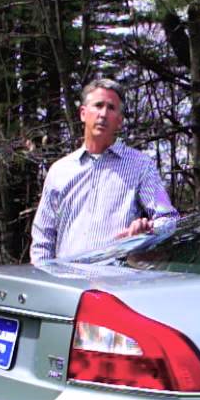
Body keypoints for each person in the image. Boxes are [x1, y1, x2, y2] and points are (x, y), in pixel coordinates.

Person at [29, 78, 179, 265]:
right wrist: (42, 277)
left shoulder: (141, 165)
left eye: (111, 108)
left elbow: (168, 218)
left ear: (119, 121)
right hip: (66, 279)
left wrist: (148, 230)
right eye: (98, 105)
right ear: (83, 113)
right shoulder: (59, 171)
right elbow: (43, 237)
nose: (103, 114)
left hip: (116, 277)